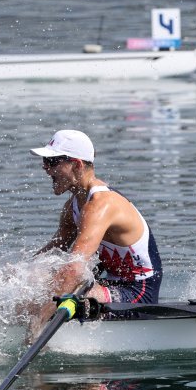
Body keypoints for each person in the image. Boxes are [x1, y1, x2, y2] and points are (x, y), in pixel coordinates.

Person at [31, 129, 163, 322]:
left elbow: (74, 269)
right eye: (45, 162)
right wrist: (20, 276)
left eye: (52, 162)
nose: (45, 168)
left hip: (139, 293)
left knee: (63, 293)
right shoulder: (72, 206)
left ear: (76, 165)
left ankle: (35, 333)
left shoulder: (102, 205)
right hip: (109, 283)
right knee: (34, 282)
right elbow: (51, 254)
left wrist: (38, 321)